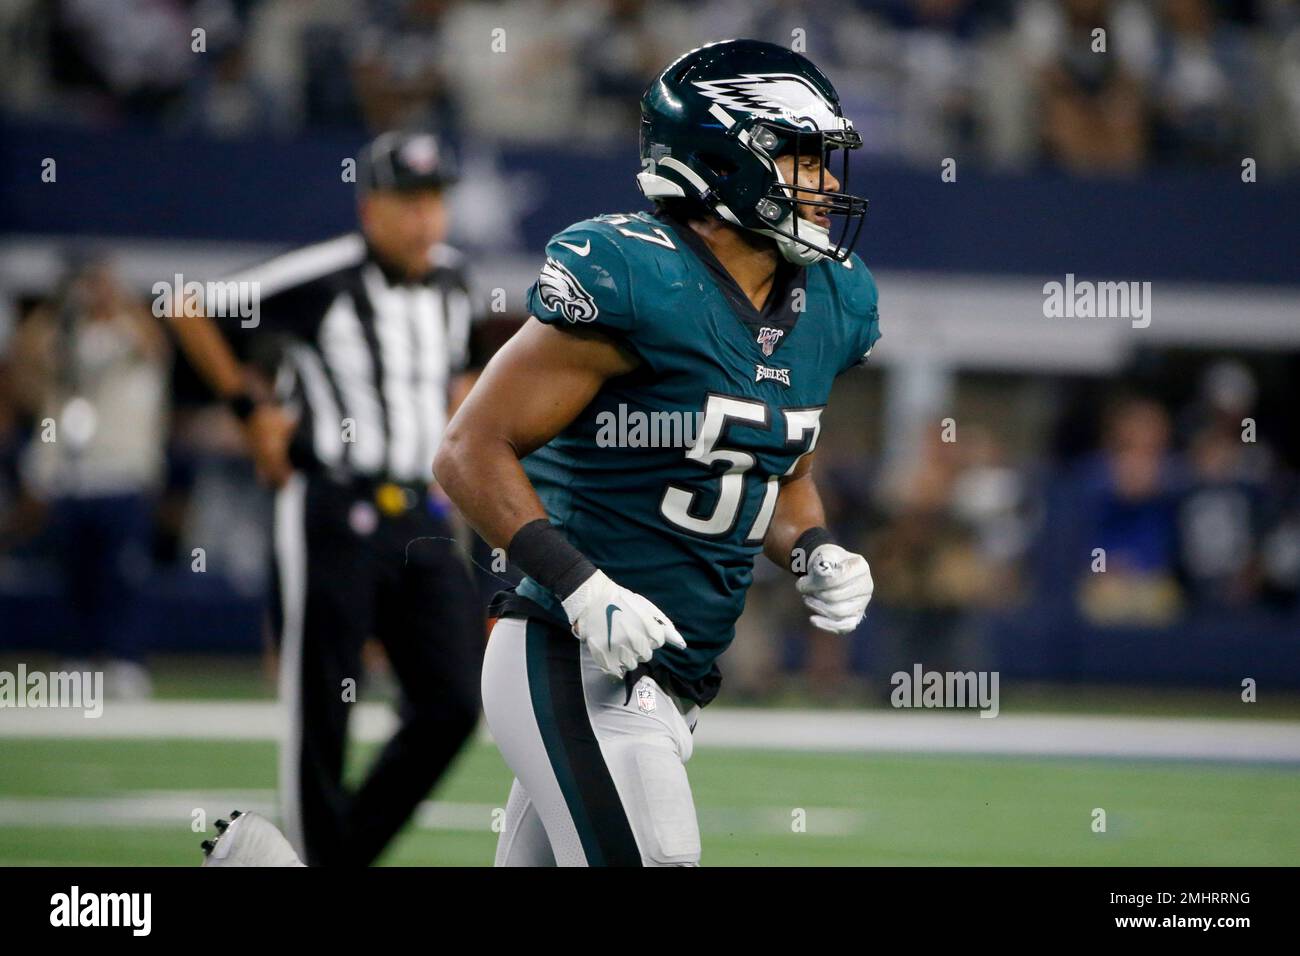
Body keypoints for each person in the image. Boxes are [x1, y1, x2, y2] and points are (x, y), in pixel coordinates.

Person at [434, 39, 881, 866]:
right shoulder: (637, 275)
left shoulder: (830, 302)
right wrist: (579, 584)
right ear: (722, 161)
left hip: (677, 678)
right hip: (571, 652)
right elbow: (468, 450)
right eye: (800, 157)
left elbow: (781, 473)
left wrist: (815, 548)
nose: (825, 184)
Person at [170, 130, 483, 866]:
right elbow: (191, 307)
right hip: (333, 508)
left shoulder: (454, 282)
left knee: (454, 703)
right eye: (410, 202)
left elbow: (460, 382)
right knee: (324, 705)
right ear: (371, 207)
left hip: (421, 513)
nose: (426, 219)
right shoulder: (326, 274)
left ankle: (326, 862)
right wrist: (252, 415)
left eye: (435, 201)